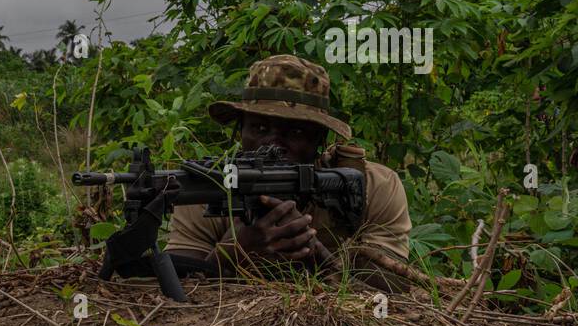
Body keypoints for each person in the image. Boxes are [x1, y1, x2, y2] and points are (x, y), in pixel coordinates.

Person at [164, 55, 411, 290]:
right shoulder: (207, 187)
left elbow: (392, 283)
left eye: (295, 133)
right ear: (240, 130)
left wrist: (315, 255)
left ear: (320, 139)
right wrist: (233, 254)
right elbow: (172, 286)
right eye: (260, 128)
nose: (273, 145)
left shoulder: (373, 185)